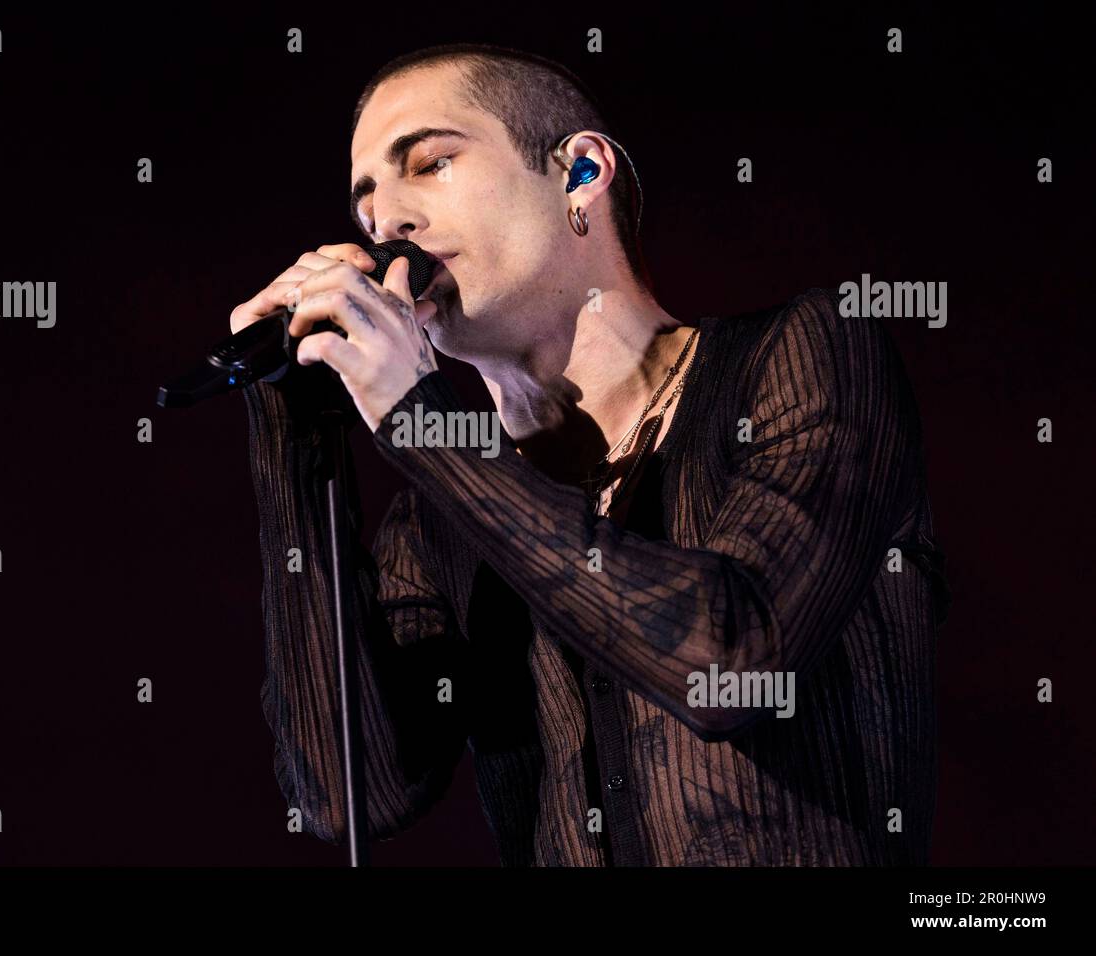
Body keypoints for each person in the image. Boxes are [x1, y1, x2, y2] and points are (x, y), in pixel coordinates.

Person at [231, 42, 951, 866]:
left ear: (579, 171)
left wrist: (421, 425)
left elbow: (732, 661)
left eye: (429, 164)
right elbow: (348, 791)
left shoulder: (812, 352)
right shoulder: (438, 518)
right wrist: (292, 437)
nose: (387, 223)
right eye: (366, 213)